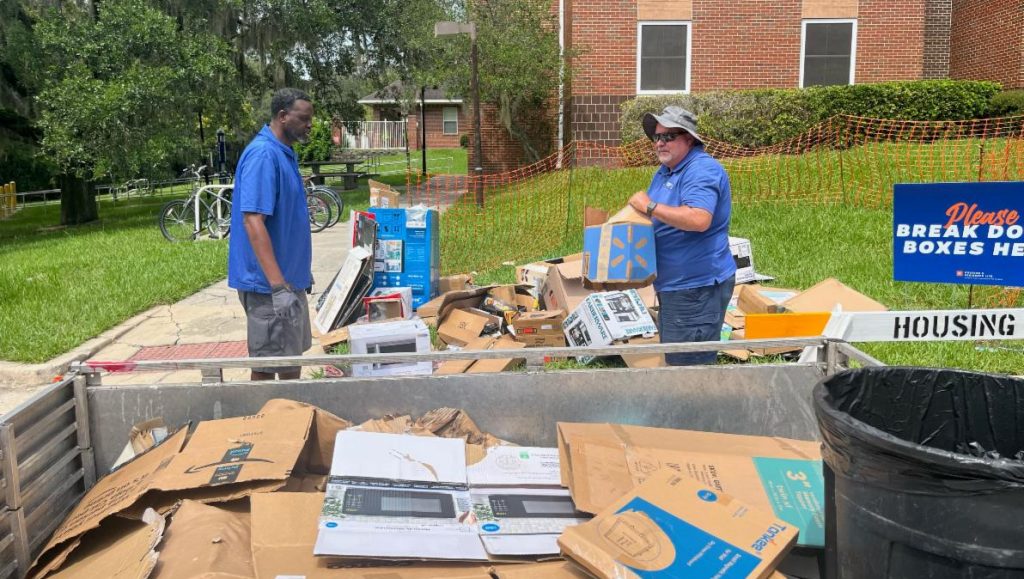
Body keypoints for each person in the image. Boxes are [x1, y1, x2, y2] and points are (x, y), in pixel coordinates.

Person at [628, 106, 736, 366]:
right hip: (675, 286)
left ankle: (694, 408)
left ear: (689, 138)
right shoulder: (667, 171)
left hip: (695, 288)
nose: (660, 143)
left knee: (689, 369)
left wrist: (649, 206)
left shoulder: (700, 170)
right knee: (676, 360)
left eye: (669, 136)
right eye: (657, 137)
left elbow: (699, 219)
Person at [228, 88, 314, 380]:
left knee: (290, 363)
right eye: (303, 118)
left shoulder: (283, 153)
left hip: (288, 282)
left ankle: (290, 421)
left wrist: (300, 273)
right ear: (282, 116)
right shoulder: (263, 155)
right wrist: (278, 286)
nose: (309, 125)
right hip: (268, 288)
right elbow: (253, 221)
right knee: (268, 370)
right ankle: (267, 424)